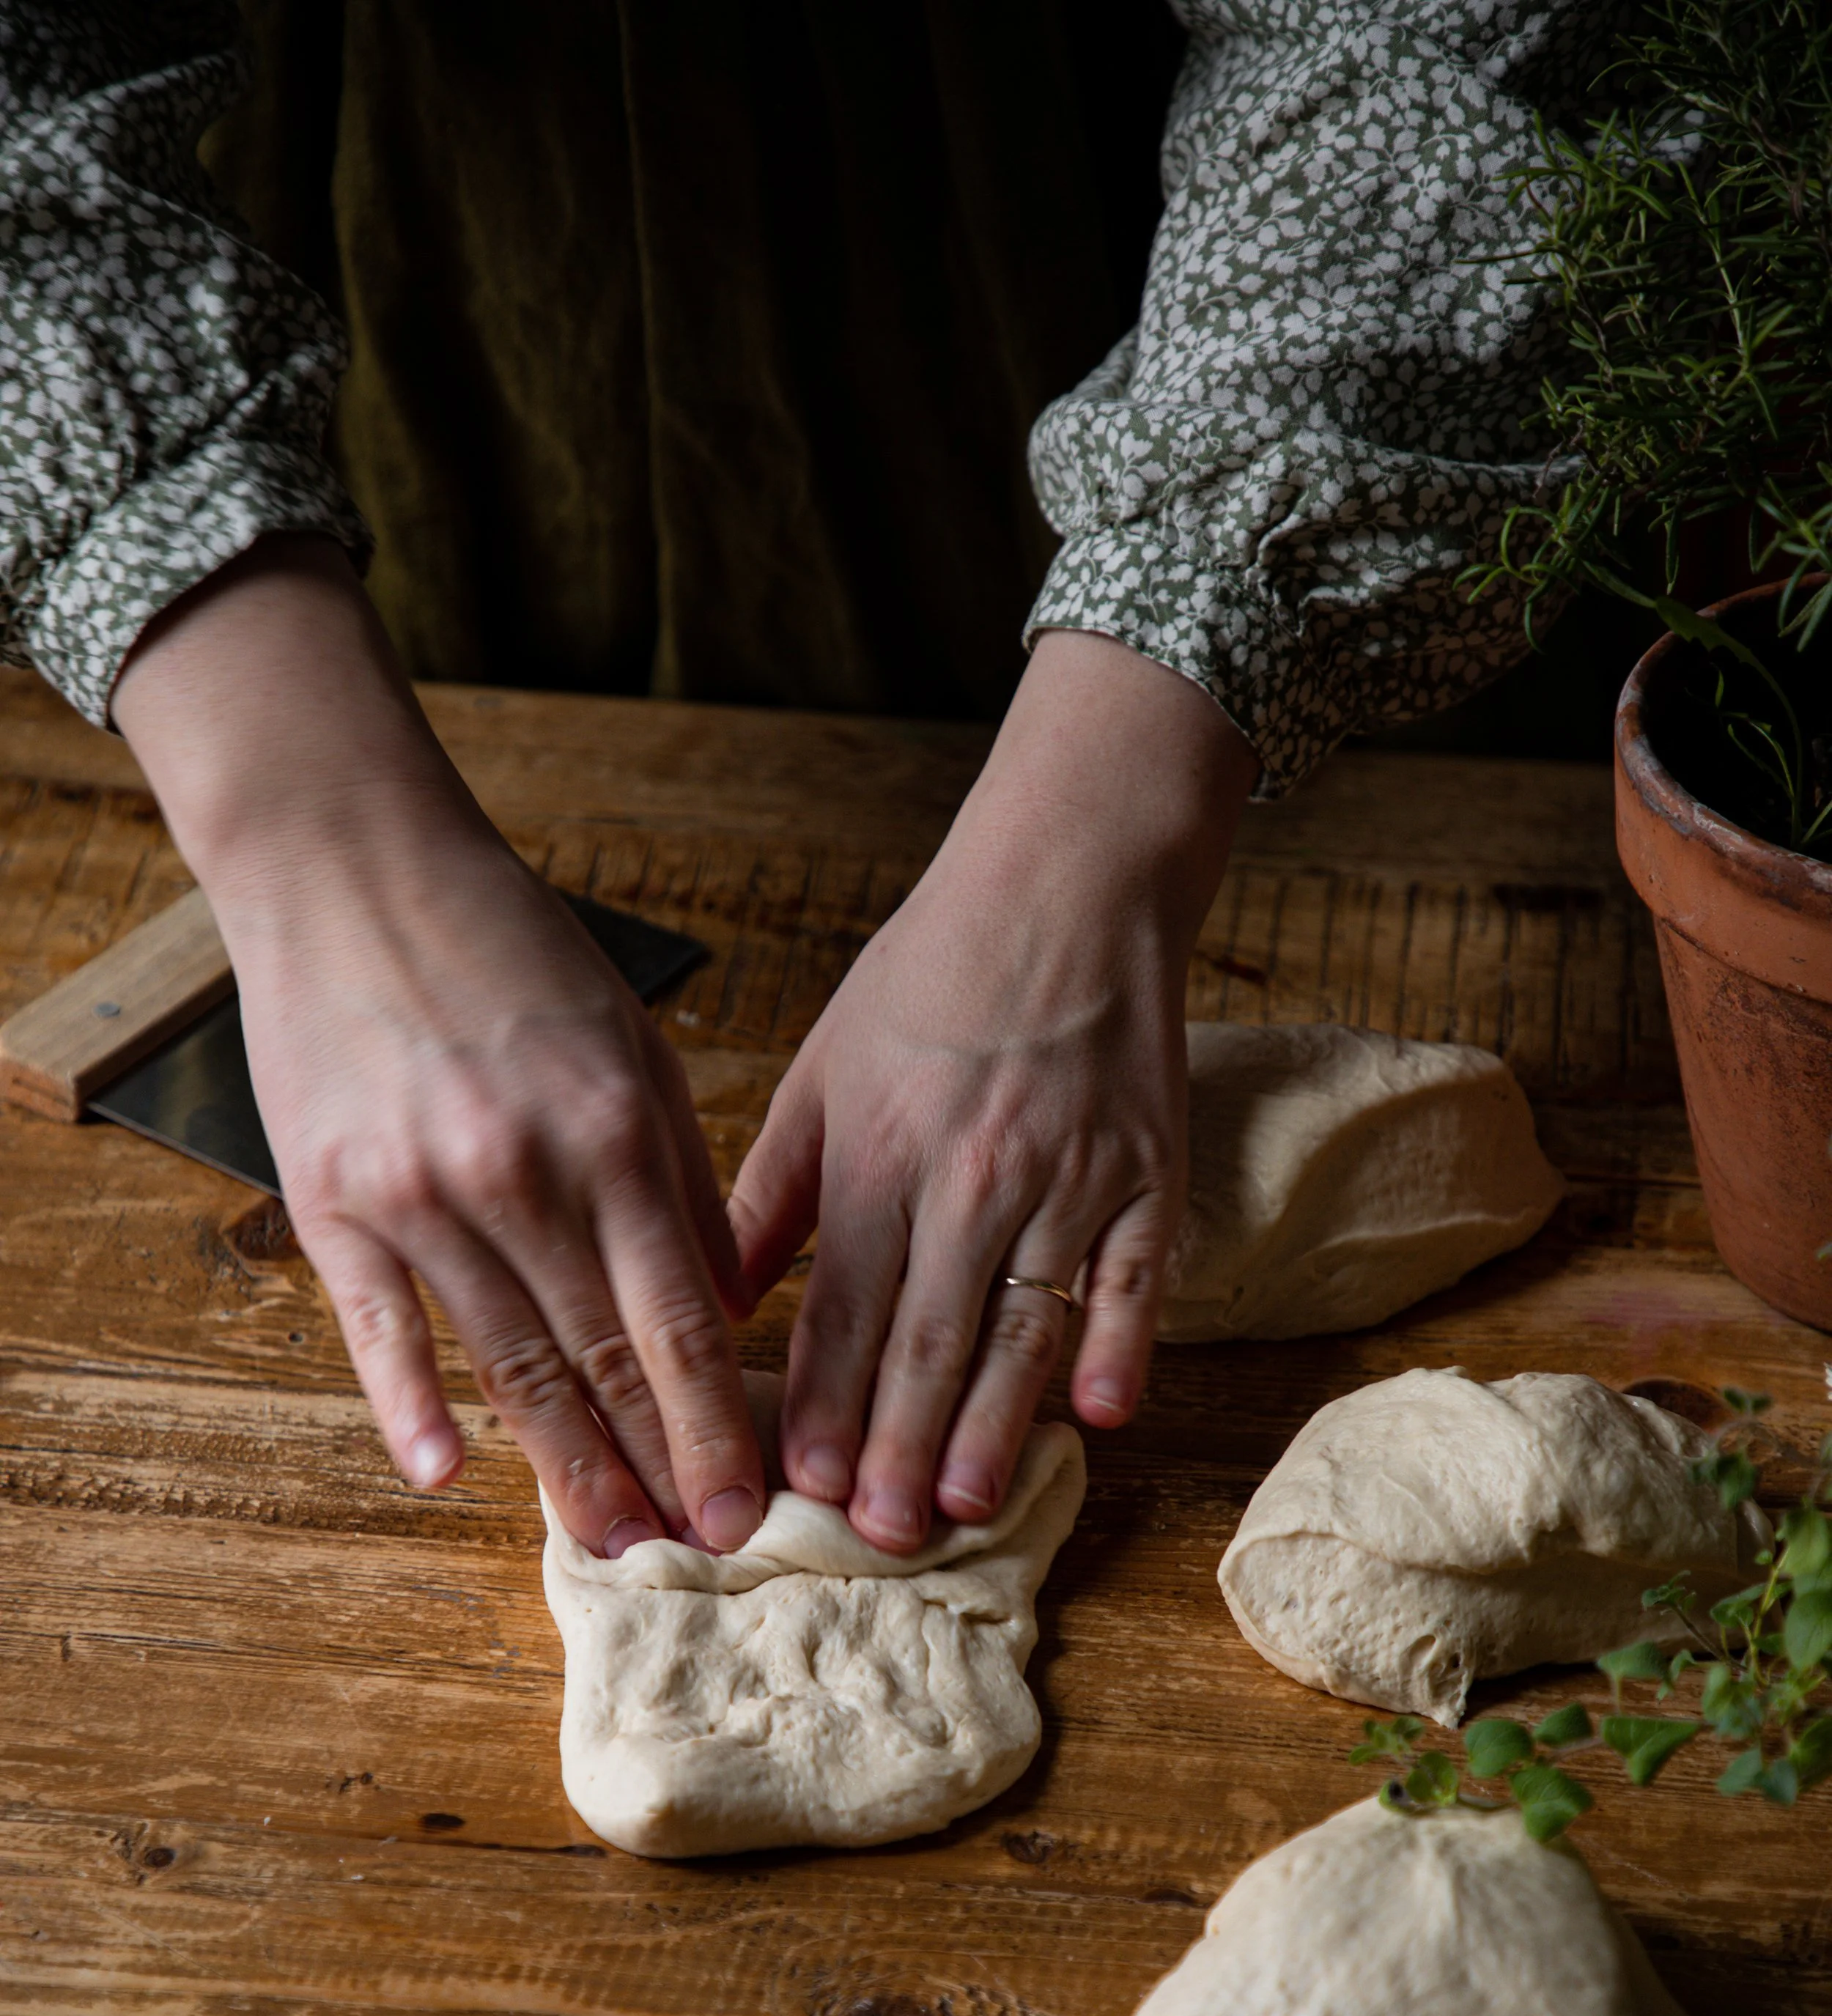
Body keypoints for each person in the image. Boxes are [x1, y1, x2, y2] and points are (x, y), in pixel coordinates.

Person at [1, 4, 1615, 1559]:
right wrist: (318, 839)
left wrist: (1082, 848)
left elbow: (1453, 49)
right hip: (400, 279)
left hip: (1178, 263)